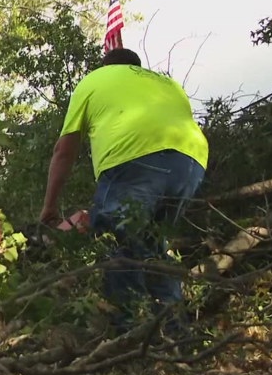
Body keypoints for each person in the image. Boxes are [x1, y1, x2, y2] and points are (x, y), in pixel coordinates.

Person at [38, 48, 208, 333]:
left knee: (116, 242)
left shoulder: (94, 80)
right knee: (153, 247)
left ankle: (128, 334)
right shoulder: (166, 83)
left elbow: (64, 151)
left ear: (106, 66)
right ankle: (173, 336)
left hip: (135, 158)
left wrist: (50, 208)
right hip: (191, 161)